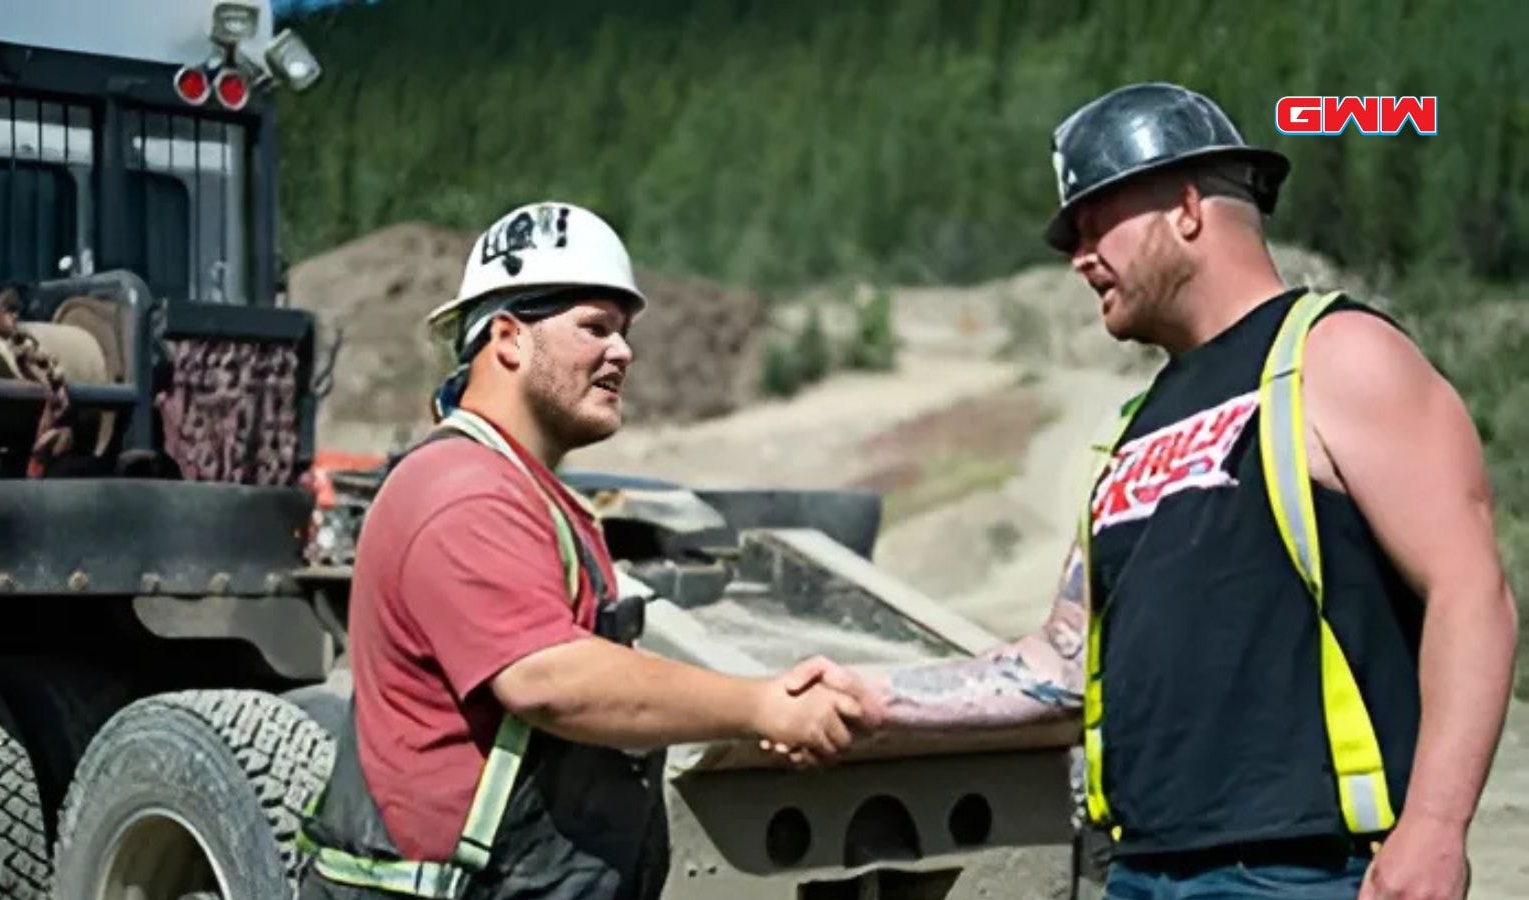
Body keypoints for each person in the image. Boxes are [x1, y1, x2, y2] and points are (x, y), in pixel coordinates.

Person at [816, 82, 1518, 900]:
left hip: (1306, 870)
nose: (1078, 258)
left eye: (1093, 224)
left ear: (1187, 206)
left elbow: (1471, 593)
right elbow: (1059, 663)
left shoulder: (1336, 355)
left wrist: (1435, 827)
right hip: (1144, 871)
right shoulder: (1130, 428)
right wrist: (870, 695)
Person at [296, 201, 881, 900]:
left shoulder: (523, 490)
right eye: (595, 327)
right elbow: (550, 679)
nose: (623, 351)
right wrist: (759, 707)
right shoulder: (462, 491)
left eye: (625, 330)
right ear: (509, 339)